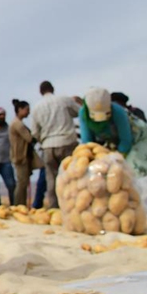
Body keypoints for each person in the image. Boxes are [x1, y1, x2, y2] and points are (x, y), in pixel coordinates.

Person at [79, 87, 147, 187]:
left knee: (136, 169)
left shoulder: (118, 112)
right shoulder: (83, 113)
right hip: (112, 140)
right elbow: (88, 142)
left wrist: (116, 158)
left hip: (136, 138)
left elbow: (126, 140)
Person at [30, 80, 82, 208]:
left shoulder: (37, 107)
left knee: (51, 180)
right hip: (67, 141)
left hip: (48, 145)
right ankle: (73, 207)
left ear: (40, 92)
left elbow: (35, 132)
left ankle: (55, 209)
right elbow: (80, 112)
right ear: (52, 89)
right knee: (70, 177)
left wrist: (42, 140)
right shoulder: (63, 100)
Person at [9, 99, 45, 207]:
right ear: (20, 110)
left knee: (23, 182)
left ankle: (21, 205)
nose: (28, 112)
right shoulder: (17, 124)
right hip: (20, 157)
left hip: (23, 156)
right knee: (22, 183)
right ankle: (18, 205)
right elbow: (29, 138)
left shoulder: (17, 123)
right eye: (27, 110)